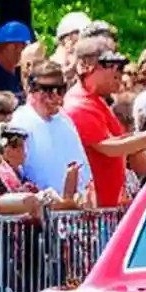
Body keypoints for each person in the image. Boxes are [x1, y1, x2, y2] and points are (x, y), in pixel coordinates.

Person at [62, 38, 146, 207]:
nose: (118, 72)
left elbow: (121, 142)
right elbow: (111, 149)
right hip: (94, 214)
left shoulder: (97, 101)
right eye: (109, 65)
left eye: (120, 66)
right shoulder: (78, 105)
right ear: (85, 66)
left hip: (110, 207)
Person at [9, 60, 94, 197]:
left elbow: (82, 167)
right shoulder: (19, 124)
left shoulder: (65, 120)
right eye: (47, 90)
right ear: (32, 89)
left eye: (60, 90)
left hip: (76, 208)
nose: (55, 97)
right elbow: (15, 177)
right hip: (41, 209)